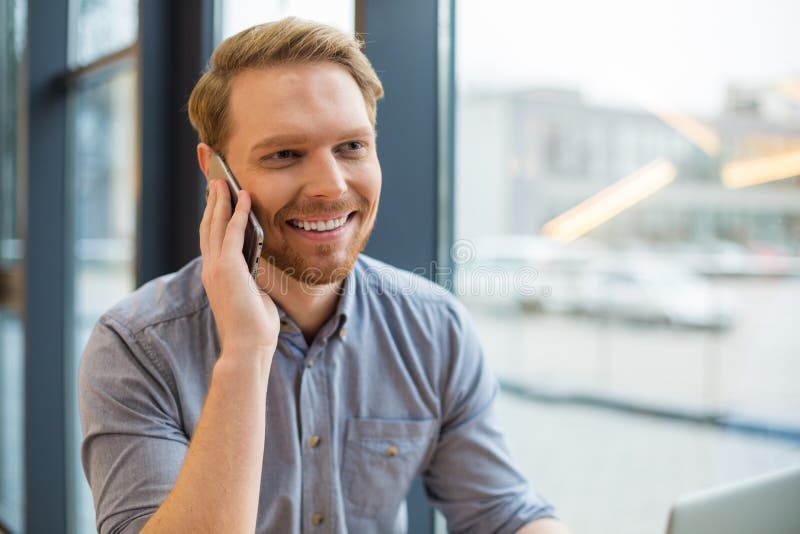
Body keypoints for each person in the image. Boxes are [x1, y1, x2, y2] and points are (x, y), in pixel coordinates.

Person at [79, 17, 570, 534]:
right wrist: (246, 351)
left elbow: (502, 515)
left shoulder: (434, 328)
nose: (330, 186)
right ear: (216, 172)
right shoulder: (136, 347)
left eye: (351, 147)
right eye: (285, 154)